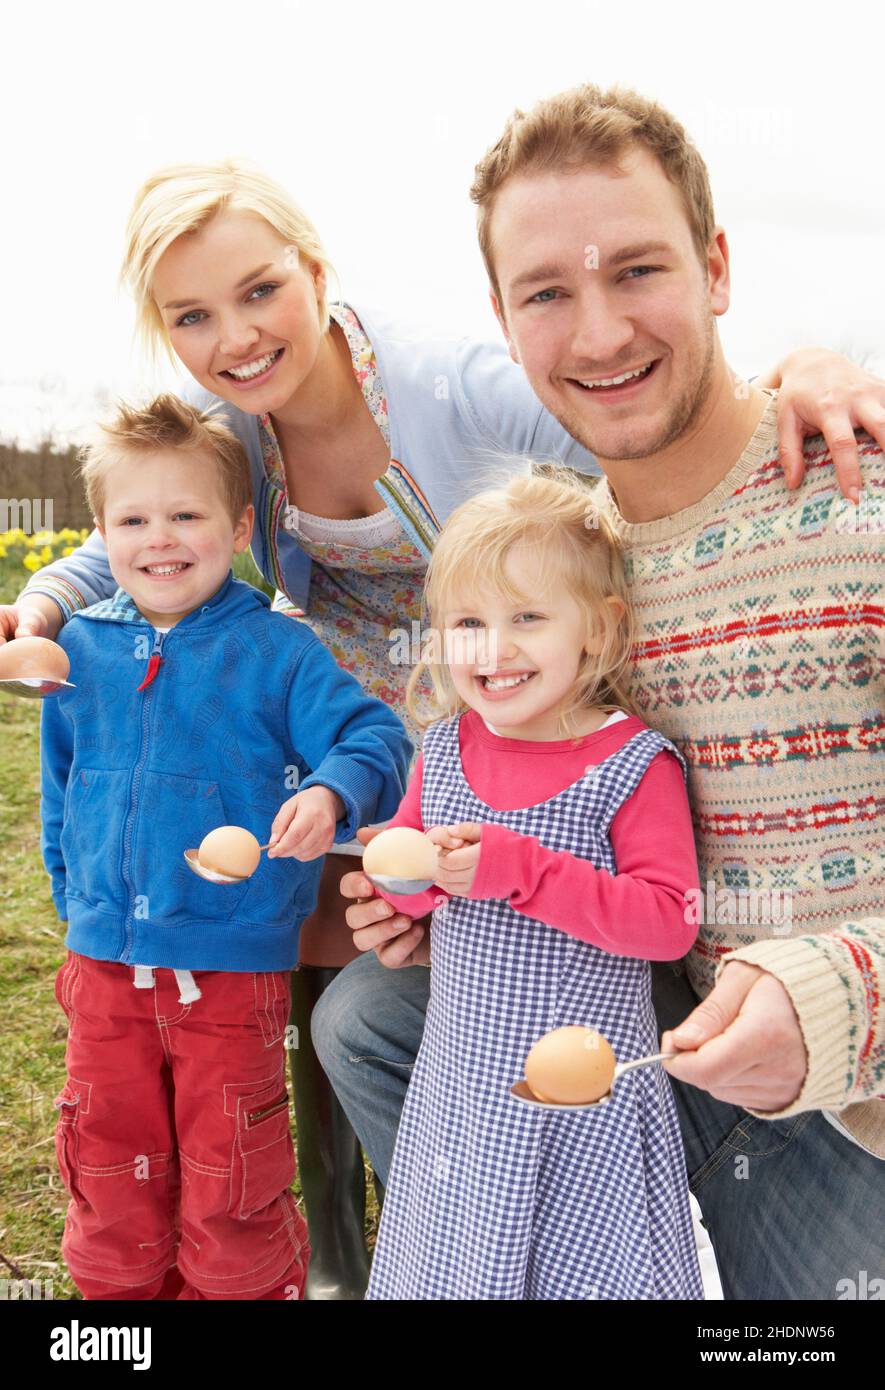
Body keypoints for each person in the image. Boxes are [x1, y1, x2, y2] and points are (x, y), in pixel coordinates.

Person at [2, 159, 880, 1297]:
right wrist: (47, 605)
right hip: (400, 745)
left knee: (383, 972)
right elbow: (124, 525)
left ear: (317, 274)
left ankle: (549, 1208)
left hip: (520, 714)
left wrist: (798, 372)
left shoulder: (454, 387)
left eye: (260, 290)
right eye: (193, 316)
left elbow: (635, 403)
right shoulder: (238, 429)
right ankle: (403, 1237)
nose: (237, 334)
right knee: (344, 973)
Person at [327, 83, 885, 1300]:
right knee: (368, 1013)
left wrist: (845, 989)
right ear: (502, 318)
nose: (595, 335)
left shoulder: (858, 502)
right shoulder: (562, 580)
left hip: (850, 1107)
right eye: (547, 292)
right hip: (632, 1038)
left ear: (718, 267)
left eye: (637, 270)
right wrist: (427, 901)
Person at [42, 394, 411, 1299]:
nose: (159, 538)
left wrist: (330, 792)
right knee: (108, 1149)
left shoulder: (277, 653)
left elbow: (375, 740)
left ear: (240, 526)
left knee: (229, 1163)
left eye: (186, 515)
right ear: (101, 532)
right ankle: (120, 1307)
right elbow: (61, 790)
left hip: (232, 972)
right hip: (102, 968)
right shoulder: (78, 651)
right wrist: (74, 896)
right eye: (134, 519)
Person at [361, 469, 705, 1299]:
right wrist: (410, 881)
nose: (493, 648)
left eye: (527, 619)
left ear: (596, 629)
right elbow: (406, 884)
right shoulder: (444, 750)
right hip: (464, 1087)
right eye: (468, 622)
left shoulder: (629, 764)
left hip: (586, 1101)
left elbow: (668, 922)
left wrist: (518, 868)